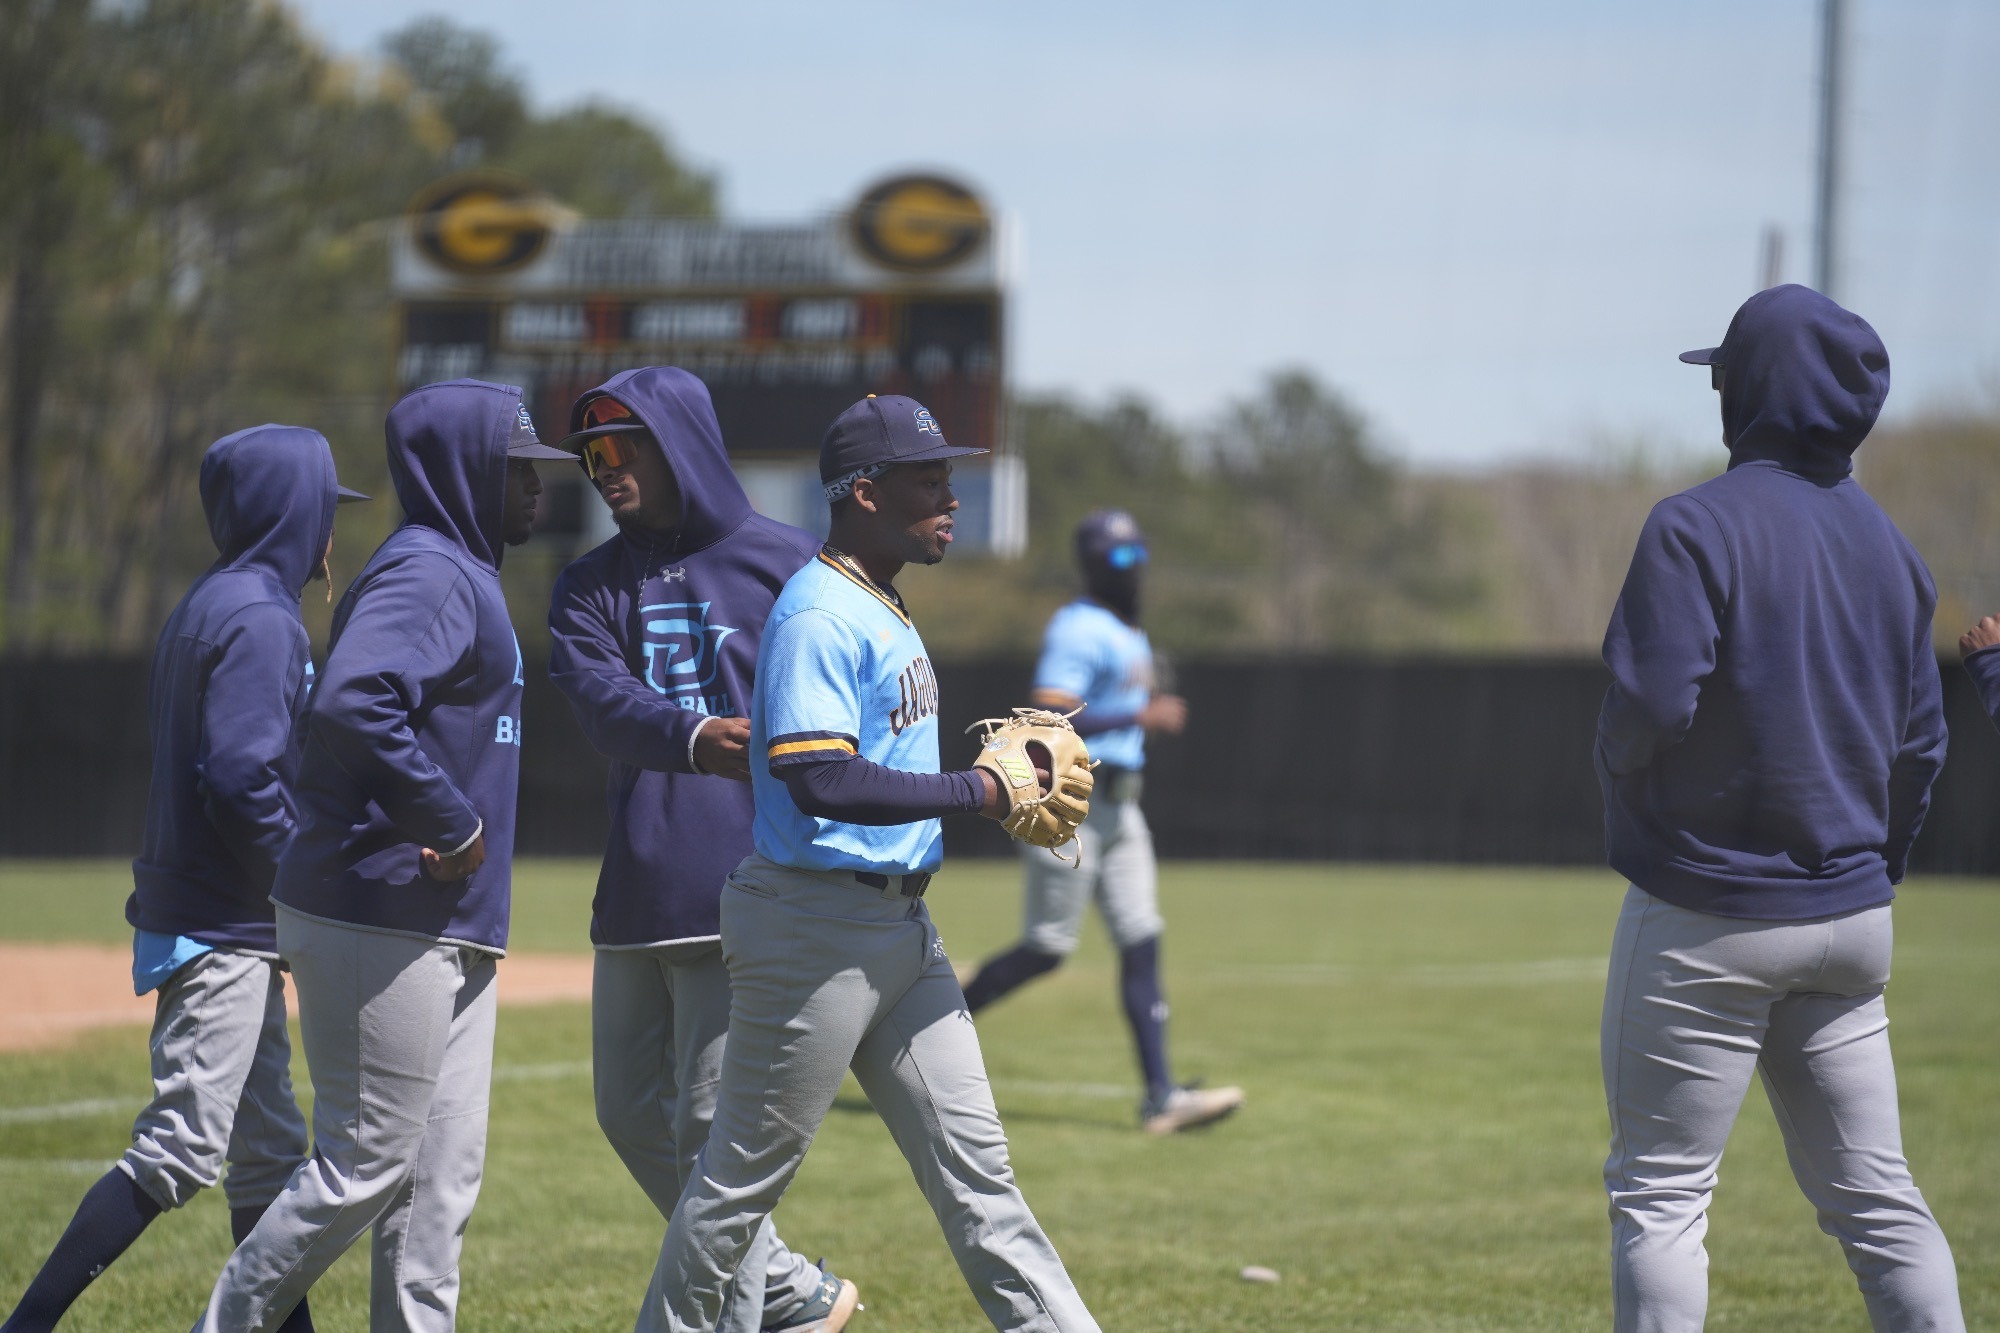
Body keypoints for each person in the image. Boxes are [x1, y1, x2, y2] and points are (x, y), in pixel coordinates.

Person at [651, 395, 1101, 1332]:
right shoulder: (818, 612)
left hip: (898, 927)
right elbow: (819, 777)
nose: (951, 495)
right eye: (927, 478)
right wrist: (978, 791)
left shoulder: (880, 601)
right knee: (737, 1188)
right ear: (863, 493)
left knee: (981, 1177)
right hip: (812, 927)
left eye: (949, 474)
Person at [1596, 284, 1964, 1332]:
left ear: (1745, 391)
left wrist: (1625, 781)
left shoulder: (1691, 526)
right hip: (1850, 922)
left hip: (1707, 910)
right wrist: (1867, 866)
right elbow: (1920, 747)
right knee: (1876, 1199)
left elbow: (1649, 706)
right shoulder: (1893, 552)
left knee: (1660, 1196)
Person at [191, 381, 572, 1333]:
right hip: (379, 906)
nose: (539, 487)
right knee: (364, 1166)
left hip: (439, 919)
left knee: (436, 1188)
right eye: (520, 467)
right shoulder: (430, 571)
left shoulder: (456, 570)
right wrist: (449, 820)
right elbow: (353, 700)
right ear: (466, 469)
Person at [2, 427, 364, 1333]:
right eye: (327, 512)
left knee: (268, 1158)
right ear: (294, 513)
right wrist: (297, 891)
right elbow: (242, 777)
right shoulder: (261, 617)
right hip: (224, 928)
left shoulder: (216, 599)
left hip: (224, 921)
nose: (332, 536)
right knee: (179, 1149)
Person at [546, 367, 856, 1333]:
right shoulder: (588, 585)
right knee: (628, 1112)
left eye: (623, 444)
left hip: (751, 885)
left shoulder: (799, 565)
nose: (604, 468)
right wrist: (691, 734)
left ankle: (755, 1308)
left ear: (681, 440)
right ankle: (789, 1290)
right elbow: (600, 702)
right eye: (592, 452)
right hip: (640, 885)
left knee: (708, 1136)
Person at [960, 510, 1244, 1134]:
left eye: (1139, 553)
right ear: (1094, 564)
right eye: (1121, 557)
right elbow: (1045, 716)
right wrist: (1135, 719)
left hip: (1121, 807)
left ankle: (1162, 1099)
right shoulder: (1079, 629)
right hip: (1070, 804)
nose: (1135, 565)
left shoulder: (1125, 629)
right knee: (1047, 950)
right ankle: (922, 1023)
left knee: (1142, 937)